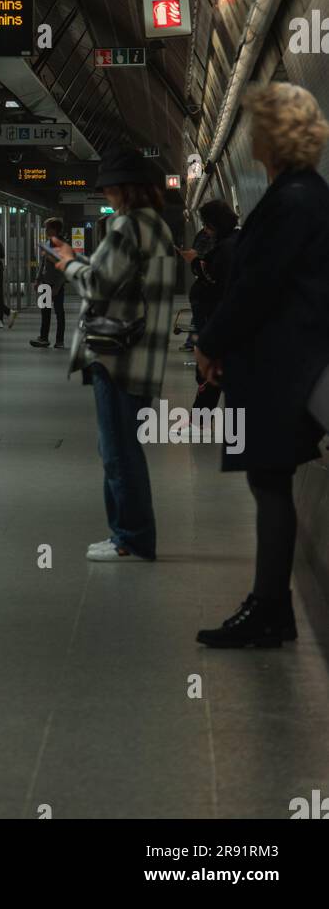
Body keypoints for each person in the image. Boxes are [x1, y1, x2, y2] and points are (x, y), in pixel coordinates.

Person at [195, 83, 329, 648]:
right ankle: (270, 606)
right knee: (269, 482)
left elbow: (257, 287)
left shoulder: (293, 201)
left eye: (256, 125)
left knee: (269, 483)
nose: (249, 135)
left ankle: (269, 610)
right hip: (283, 361)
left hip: (282, 365)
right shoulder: (303, 194)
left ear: (274, 134)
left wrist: (212, 341)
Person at [53, 146, 176, 561]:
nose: (106, 196)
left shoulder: (126, 227)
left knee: (118, 450)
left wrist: (69, 263)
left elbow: (97, 286)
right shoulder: (158, 226)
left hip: (117, 355)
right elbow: (123, 281)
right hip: (144, 354)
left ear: (122, 190)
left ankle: (131, 538)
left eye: (108, 190)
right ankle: (130, 534)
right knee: (123, 447)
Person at [176, 200, 238, 410]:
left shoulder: (226, 249)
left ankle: (201, 417)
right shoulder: (236, 242)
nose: (205, 230)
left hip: (216, 313)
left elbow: (213, 277)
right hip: (221, 315)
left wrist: (194, 262)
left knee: (210, 366)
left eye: (207, 225)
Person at [179, 218, 214, 351]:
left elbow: (197, 254)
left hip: (206, 287)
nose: (204, 228)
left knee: (200, 315)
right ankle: (193, 342)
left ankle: (193, 342)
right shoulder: (209, 236)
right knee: (201, 315)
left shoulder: (206, 237)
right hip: (207, 288)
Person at [31, 216, 66, 348]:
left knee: (59, 312)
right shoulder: (47, 243)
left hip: (56, 283)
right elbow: (43, 264)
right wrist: (37, 279)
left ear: (55, 229)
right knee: (45, 311)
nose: (45, 231)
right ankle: (43, 338)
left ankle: (60, 341)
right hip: (45, 283)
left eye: (48, 228)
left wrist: (58, 286)